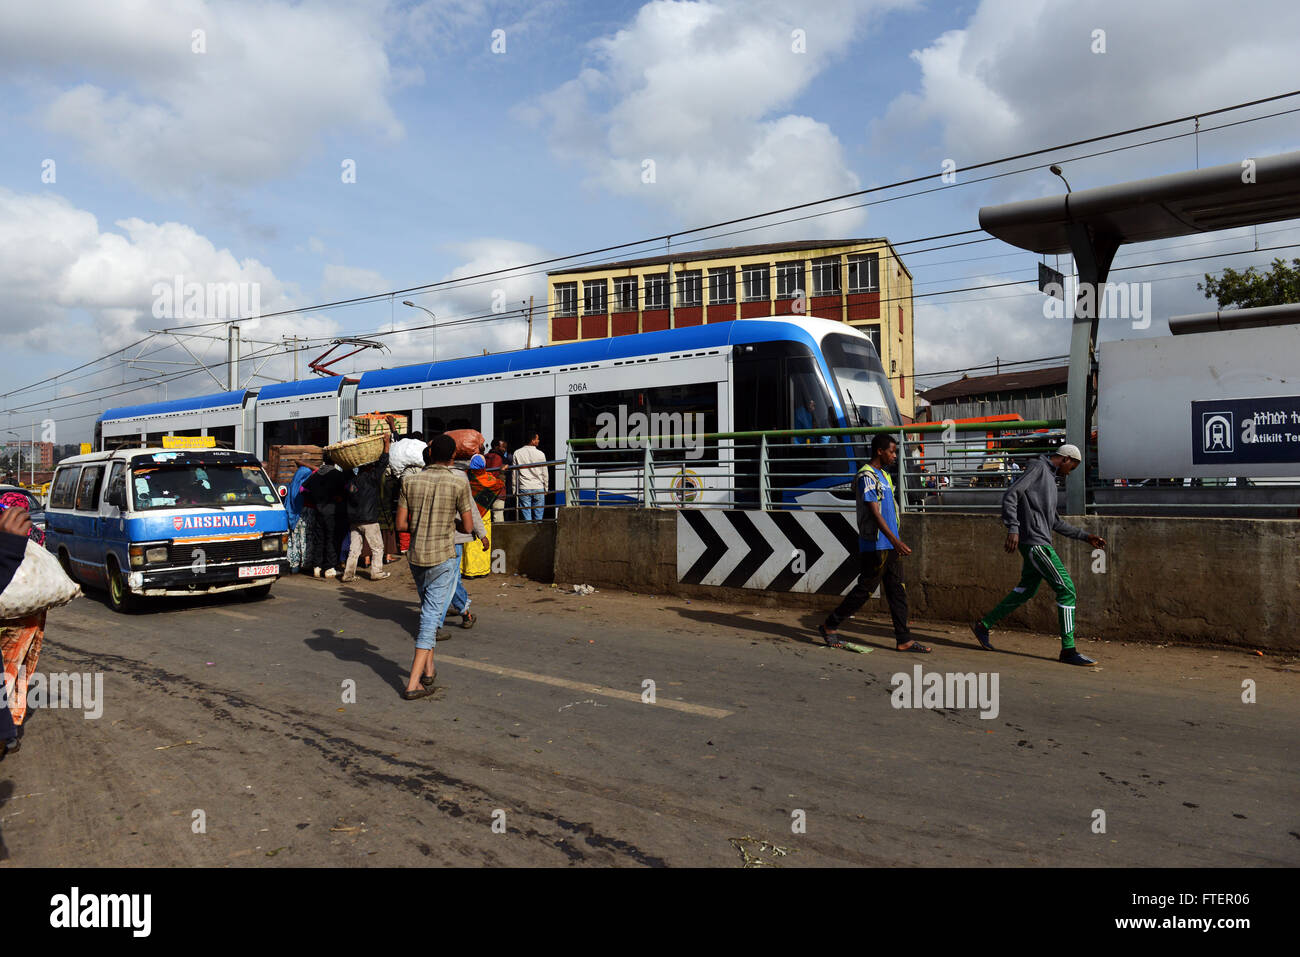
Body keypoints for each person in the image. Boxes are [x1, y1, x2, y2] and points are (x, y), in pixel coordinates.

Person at [971, 443, 1107, 666]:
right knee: (1067, 589)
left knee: (1025, 590)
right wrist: (1013, 528)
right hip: (1036, 544)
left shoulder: (1051, 481)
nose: (1071, 472)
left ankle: (983, 625)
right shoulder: (1038, 467)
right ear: (1065, 459)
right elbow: (1011, 495)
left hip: (1038, 541)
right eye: (1072, 466)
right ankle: (1068, 650)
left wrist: (1086, 536)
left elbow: (1055, 522)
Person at [818, 434, 929, 653]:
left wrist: (895, 540)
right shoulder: (866, 476)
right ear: (880, 451)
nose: (894, 456)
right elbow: (875, 513)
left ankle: (903, 638)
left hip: (889, 544)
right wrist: (895, 540)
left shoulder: (884, 476)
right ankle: (830, 625)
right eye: (892, 451)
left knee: (897, 590)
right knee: (865, 590)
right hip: (877, 544)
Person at [395, 434, 475, 700]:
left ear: (430, 454)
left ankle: (429, 670)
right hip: (443, 557)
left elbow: (401, 525)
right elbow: (467, 526)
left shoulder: (410, 481)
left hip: (416, 557)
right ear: (453, 456)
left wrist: (423, 524)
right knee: (429, 620)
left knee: (428, 611)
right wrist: (446, 524)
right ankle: (413, 682)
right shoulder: (458, 481)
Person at [0, 504, 45, 758]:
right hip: (21, 605)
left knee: (13, 664)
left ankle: (9, 730)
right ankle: (9, 729)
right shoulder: (14, 520)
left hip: (18, 606)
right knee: (16, 665)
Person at [443, 454, 490, 631]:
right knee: (451, 578)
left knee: (446, 578)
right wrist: (481, 534)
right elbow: (470, 509)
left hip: (431, 539)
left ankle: (455, 609)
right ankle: (463, 611)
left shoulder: (421, 476)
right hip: (455, 536)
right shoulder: (460, 477)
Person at [342, 431, 392, 583]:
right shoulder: (371, 478)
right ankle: (376, 572)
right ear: (370, 467)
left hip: (354, 520)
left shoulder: (351, 480)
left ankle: (348, 574)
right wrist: (387, 443)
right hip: (369, 519)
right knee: (377, 548)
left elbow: (346, 468)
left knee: (354, 549)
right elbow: (383, 462)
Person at [512, 432, 549, 521]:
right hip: (538, 487)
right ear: (532, 440)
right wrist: (546, 488)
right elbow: (545, 473)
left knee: (526, 517)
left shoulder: (517, 453)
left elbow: (514, 474)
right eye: (537, 439)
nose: (538, 440)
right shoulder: (541, 454)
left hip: (524, 487)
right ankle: (537, 533)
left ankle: (528, 530)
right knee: (539, 517)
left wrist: (514, 489)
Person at [484, 438, 511, 525]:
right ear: (496, 447)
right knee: (498, 517)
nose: (504, 449)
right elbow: (495, 476)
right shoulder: (500, 459)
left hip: (485, 492)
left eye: (505, 448)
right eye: (503, 447)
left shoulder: (485, 457)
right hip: (498, 492)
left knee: (485, 518)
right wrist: (503, 472)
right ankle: (499, 537)